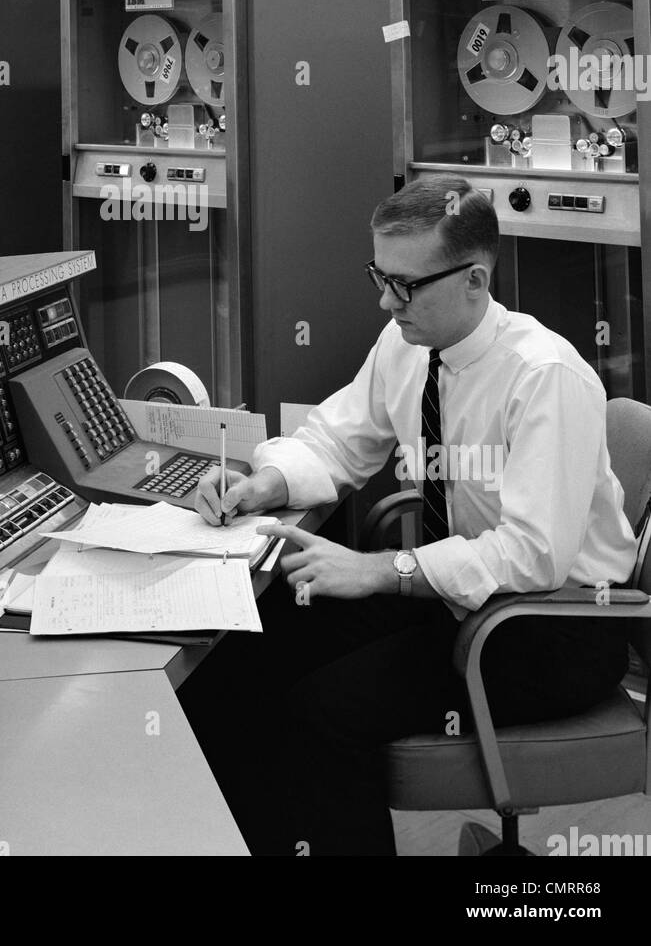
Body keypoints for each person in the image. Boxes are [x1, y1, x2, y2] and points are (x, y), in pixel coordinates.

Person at [183, 175, 637, 856]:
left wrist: (380, 571)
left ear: (474, 281)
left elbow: (532, 555)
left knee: (324, 711)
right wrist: (263, 483)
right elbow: (339, 438)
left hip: (549, 623)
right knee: (236, 662)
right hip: (452, 591)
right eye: (380, 275)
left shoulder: (546, 377)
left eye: (404, 284)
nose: (383, 300)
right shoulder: (406, 343)